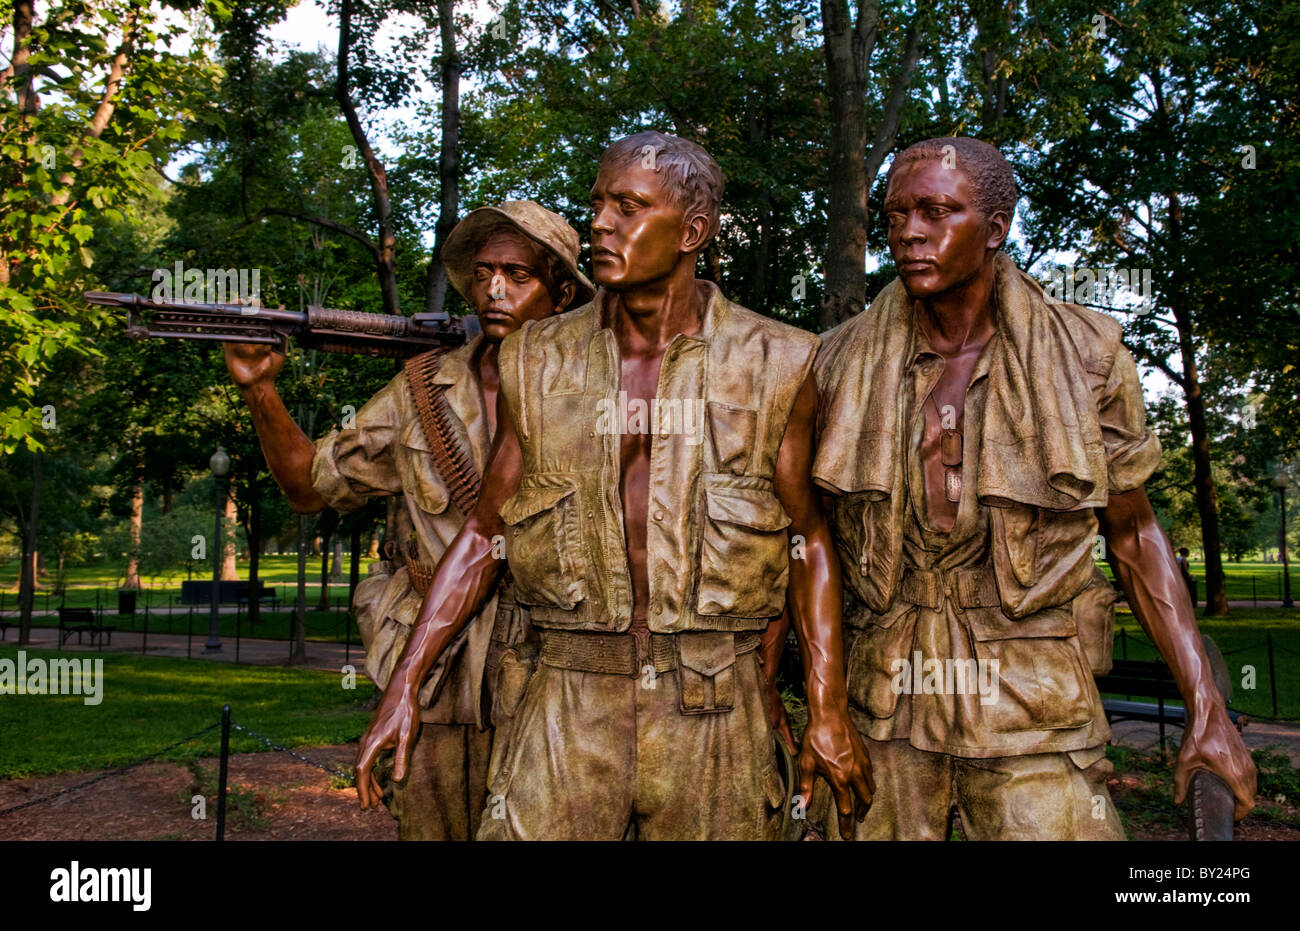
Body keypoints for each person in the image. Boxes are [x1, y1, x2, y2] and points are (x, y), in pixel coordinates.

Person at [355, 130, 873, 840]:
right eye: (598, 202)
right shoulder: (535, 358)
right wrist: (405, 682)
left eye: (628, 206)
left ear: (692, 231)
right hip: (568, 693)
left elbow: (808, 539)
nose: (601, 222)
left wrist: (827, 707)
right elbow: (485, 531)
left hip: (713, 702)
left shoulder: (778, 360)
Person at [812, 137, 1255, 839]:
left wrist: (1205, 703)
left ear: (994, 230)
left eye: (936, 211)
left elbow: (1134, 533)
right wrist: (820, 706)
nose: (908, 232)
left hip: (1031, 701)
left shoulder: (1086, 355)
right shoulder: (838, 361)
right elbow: (812, 547)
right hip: (887, 701)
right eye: (896, 214)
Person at [222, 201, 593, 839]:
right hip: (435, 668)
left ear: (560, 294)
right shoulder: (422, 388)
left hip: (550, 664)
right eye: (482, 273)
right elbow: (311, 488)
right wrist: (260, 390)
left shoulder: (602, 389)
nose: (494, 289)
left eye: (517, 274)